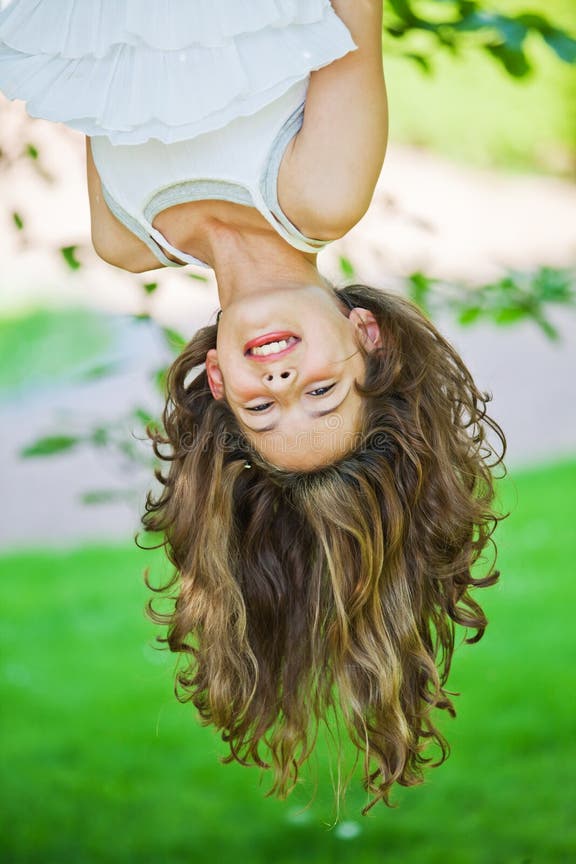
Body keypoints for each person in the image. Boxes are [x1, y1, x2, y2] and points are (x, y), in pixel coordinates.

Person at [0, 0, 506, 810]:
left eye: (264, 412)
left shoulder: (124, 235)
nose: (280, 383)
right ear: (367, 336)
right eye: (321, 392)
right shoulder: (324, 191)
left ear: (219, 382)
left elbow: (97, 41)